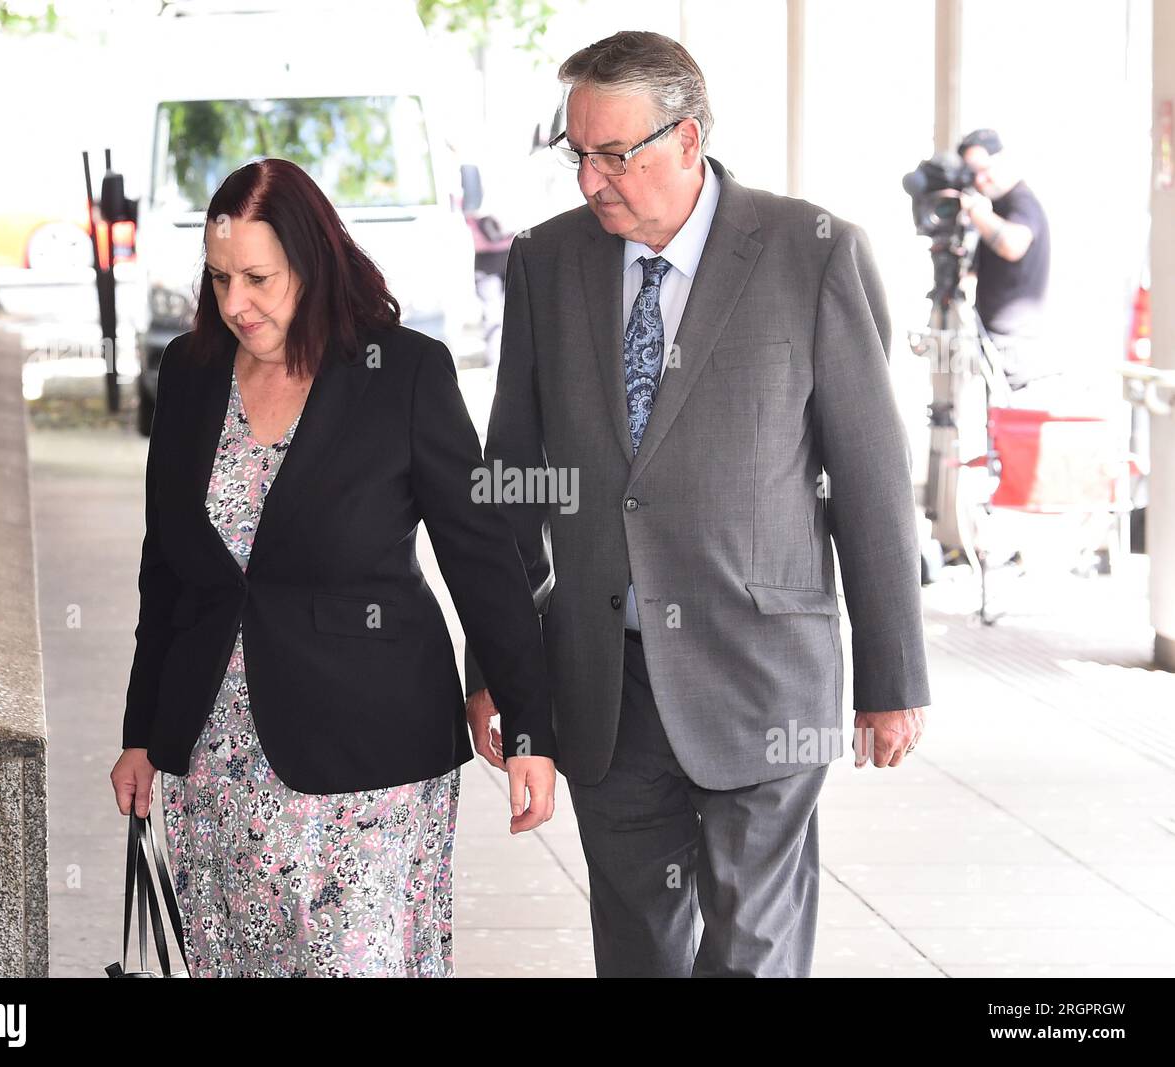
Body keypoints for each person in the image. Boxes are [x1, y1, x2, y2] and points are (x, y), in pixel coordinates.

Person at [463, 31, 930, 977]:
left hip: (762, 677)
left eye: (613, 154)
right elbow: (513, 481)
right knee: (638, 952)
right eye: (576, 152)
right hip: (606, 684)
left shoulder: (810, 252)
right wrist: (501, 668)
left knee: (752, 950)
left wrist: (892, 676)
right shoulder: (547, 264)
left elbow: (871, 476)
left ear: (688, 137)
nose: (590, 179)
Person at [109, 158, 556, 978]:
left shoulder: (405, 372)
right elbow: (165, 573)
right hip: (217, 767)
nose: (235, 303)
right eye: (217, 280)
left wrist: (529, 723)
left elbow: (481, 554)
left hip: (370, 767)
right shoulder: (190, 374)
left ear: (312, 265)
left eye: (258, 278)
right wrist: (142, 732)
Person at [957, 128, 1054, 399]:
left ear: (1002, 159)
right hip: (994, 340)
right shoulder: (994, 205)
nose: (980, 179)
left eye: (984, 168)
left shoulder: (1021, 202)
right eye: (972, 173)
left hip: (1016, 346)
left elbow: (1012, 245)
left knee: (1011, 430)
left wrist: (975, 212)